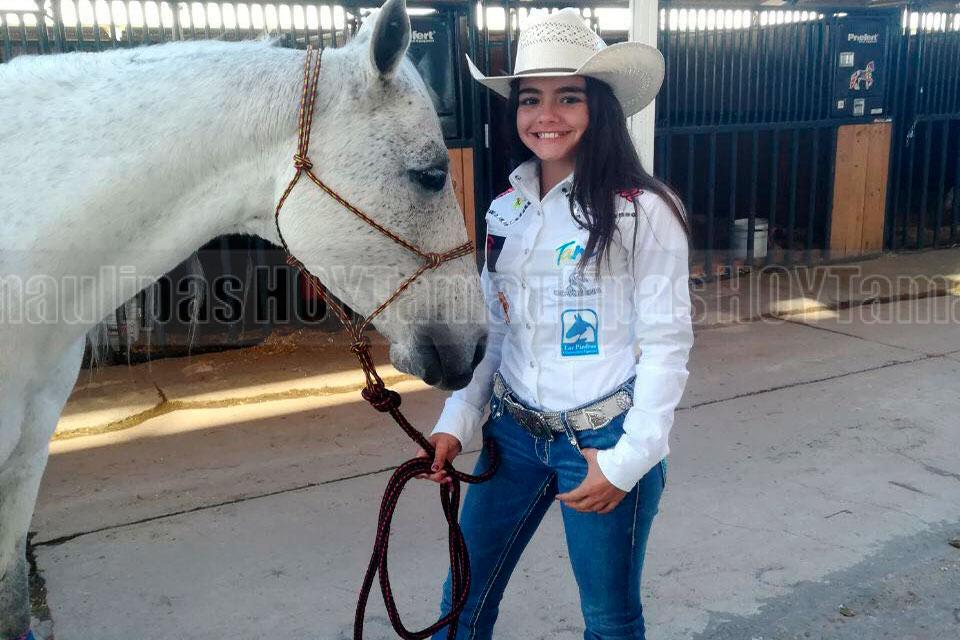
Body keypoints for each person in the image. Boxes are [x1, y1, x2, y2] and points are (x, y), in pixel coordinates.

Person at [416, 8, 693, 640]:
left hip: (602, 440)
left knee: (610, 617)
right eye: (530, 99)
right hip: (513, 436)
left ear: (599, 107)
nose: (547, 116)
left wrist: (626, 462)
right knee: (461, 595)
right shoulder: (507, 207)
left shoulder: (642, 212)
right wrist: (457, 422)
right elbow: (497, 326)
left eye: (568, 97)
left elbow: (667, 344)